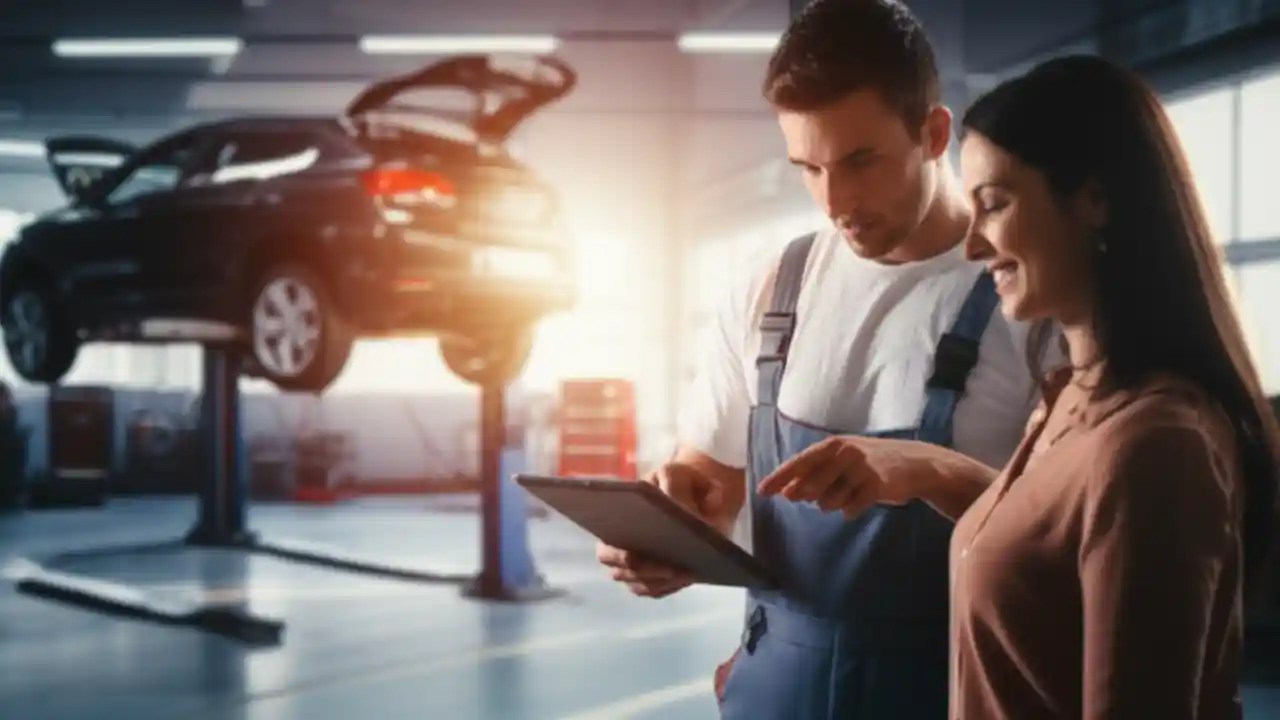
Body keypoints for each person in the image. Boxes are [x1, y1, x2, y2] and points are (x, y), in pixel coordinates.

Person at [758, 54, 1280, 719]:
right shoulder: (1071, 397)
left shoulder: (1155, 446)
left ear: (1094, 200)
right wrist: (927, 468)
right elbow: (1048, 547)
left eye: (995, 205)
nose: (973, 246)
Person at [597, 1, 1056, 716]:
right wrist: (671, 529)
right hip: (774, 683)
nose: (835, 200)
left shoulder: (1027, 295)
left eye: (860, 161)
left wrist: (930, 472)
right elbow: (707, 480)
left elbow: (1073, 533)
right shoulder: (768, 286)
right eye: (808, 167)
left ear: (934, 134)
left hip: (954, 687)